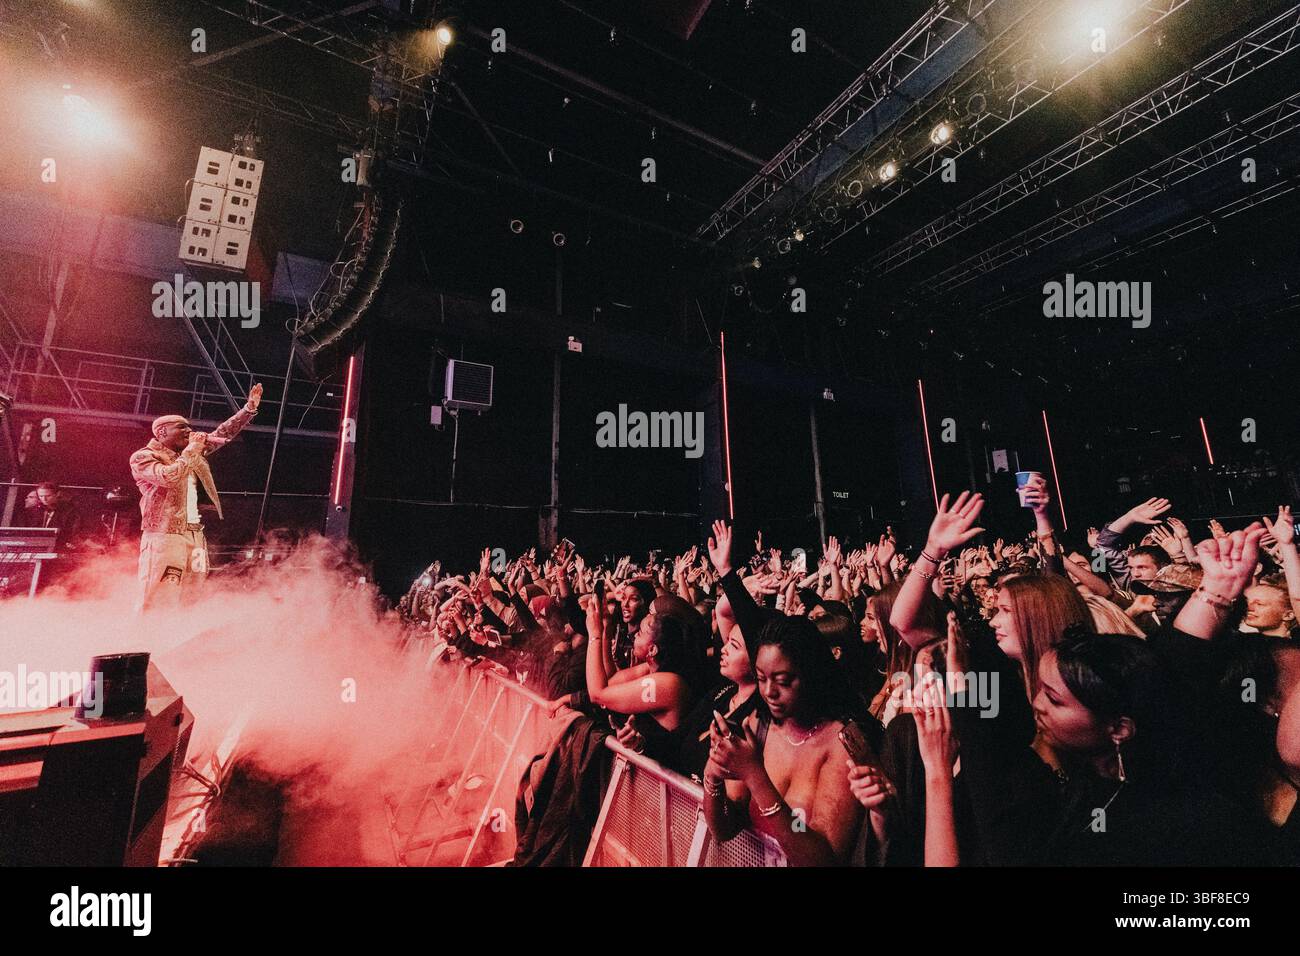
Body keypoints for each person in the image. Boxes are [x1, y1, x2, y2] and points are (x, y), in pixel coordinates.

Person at [703, 614, 863, 866]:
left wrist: (755, 776)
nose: (769, 692)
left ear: (811, 674)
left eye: (783, 681)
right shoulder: (761, 724)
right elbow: (724, 828)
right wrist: (713, 773)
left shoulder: (841, 742)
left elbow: (821, 858)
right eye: (762, 679)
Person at [129, 383, 262, 611]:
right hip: (166, 533)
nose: (189, 432)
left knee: (194, 589)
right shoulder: (144, 456)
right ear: (162, 432)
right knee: (161, 590)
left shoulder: (188, 454)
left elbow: (222, 433)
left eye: (189, 428)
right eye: (182, 428)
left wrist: (248, 410)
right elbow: (168, 477)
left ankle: (179, 635)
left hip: (195, 533)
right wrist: (192, 449)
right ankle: (146, 639)